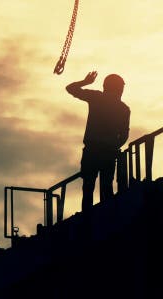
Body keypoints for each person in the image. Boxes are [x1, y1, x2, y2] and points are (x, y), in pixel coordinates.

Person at [66, 71, 130, 212]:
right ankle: (106, 215)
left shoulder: (97, 98)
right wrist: (113, 146)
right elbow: (124, 135)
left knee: (89, 188)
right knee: (105, 188)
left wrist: (85, 82)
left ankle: (88, 217)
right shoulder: (123, 109)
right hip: (106, 152)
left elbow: (70, 88)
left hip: (94, 151)